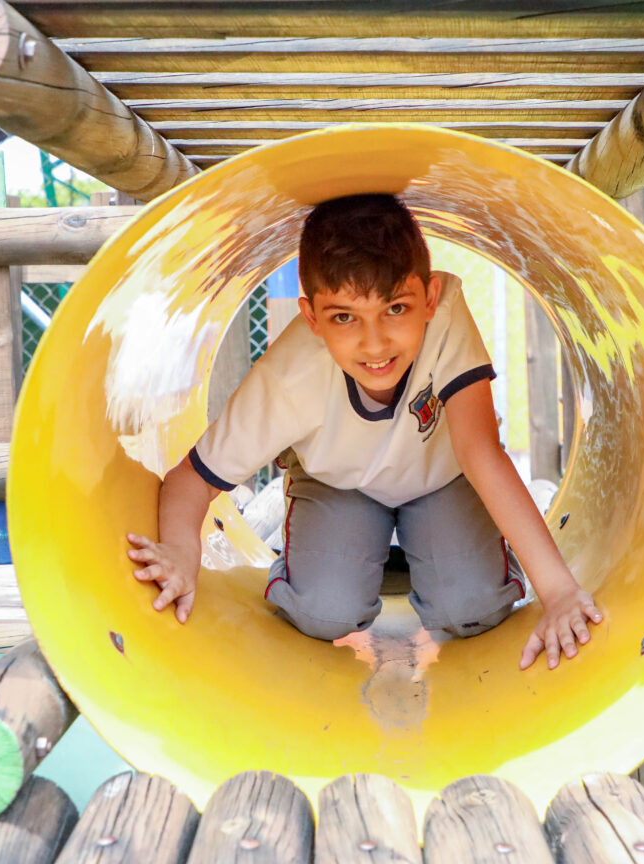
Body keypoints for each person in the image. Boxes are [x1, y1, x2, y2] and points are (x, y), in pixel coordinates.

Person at [126, 193, 602, 670]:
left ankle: (451, 559)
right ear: (311, 317)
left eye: (395, 309)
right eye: (344, 317)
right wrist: (181, 552)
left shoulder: (446, 318)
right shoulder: (291, 375)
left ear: (429, 298)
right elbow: (194, 476)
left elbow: (481, 453)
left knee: (474, 610)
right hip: (337, 481)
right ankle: (320, 553)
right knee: (322, 611)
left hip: (444, 474)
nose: (374, 343)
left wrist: (559, 592)